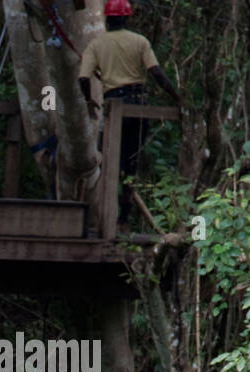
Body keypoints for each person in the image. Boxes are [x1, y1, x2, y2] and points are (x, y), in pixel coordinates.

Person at [77, 0, 182, 225]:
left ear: (107, 18)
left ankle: (106, 216)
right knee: (131, 162)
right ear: (127, 17)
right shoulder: (139, 41)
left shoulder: (96, 45)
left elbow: (83, 78)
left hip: (114, 105)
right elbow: (157, 73)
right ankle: (124, 216)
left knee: (108, 159)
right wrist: (178, 99)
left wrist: (89, 101)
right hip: (138, 105)